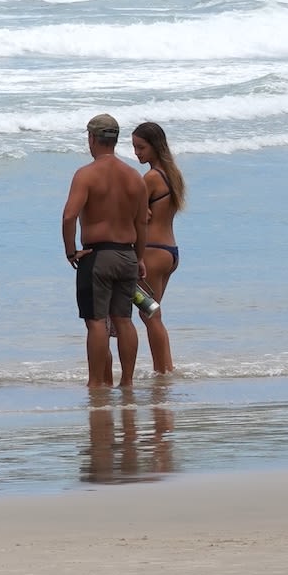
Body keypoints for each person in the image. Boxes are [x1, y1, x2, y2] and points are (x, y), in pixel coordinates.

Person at [62, 113, 150, 389]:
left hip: (97, 256)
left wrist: (70, 251)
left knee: (97, 322)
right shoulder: (135, 177)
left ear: (92, 139)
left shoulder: (86, 174)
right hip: (127, 254)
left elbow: (68, 217)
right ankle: (127, 382)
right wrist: (140, 257)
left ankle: (96, 382)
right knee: (124, 319)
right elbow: (141, 223)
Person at [131, 120, 186, 375]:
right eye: (134, 147)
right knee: (153, 313)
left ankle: (162, 371)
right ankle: (166, 369)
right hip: (170, 252)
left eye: (141, 147)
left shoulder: (151, 177)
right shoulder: (172, 174)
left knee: (149, 315)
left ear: (154, 146)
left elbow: (132, 212)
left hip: (151, 251)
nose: (136, 153)